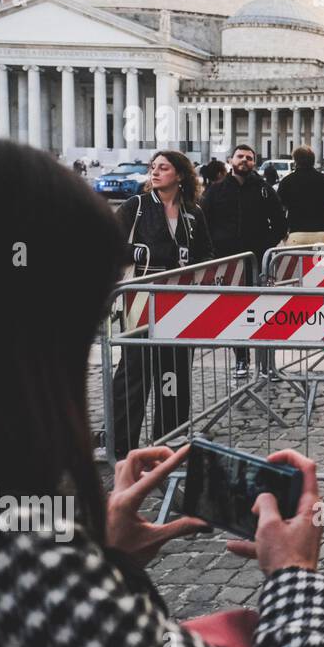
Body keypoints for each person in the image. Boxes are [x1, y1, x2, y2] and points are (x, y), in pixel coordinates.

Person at [0, 132, 324, 647]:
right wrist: (296, 576)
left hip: (174, 311)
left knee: (169, 382)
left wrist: (109, 560)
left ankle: (168, 435)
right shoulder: (12, 554)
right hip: (153, 311)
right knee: (135, 379)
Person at [109, 150, 214, 459]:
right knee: (135, 371)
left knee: (175, 370)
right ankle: (121, 443)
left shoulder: (193, 212)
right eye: (153, 167)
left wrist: (199, 271)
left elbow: (206, 251)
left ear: (179, 175)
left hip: (179, 301)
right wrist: (138, 252)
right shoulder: (137, 206)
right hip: (140, 299)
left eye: (163, 168)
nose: (155, 172)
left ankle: (168, 438)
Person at [201, 144, 288, 378]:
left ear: (254, 163)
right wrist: (213, 249)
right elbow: (203, 223)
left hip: (257, 260)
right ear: (231, 160)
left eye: (249, 158)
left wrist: (266, 245)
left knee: (262, 310)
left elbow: (280, 223)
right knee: (233, 312)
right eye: (240, 156)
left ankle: (266, 362)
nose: (244, 160)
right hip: (227, 261)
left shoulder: (264, 190)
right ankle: (241, 358)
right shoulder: (215, 191)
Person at [278, 146, 324, 245]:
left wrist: (283, 235)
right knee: (323, 256)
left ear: (295, 162)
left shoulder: (286, 181)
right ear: (313, 161)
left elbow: (279, 211)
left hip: (297, 234)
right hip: (323, 234)